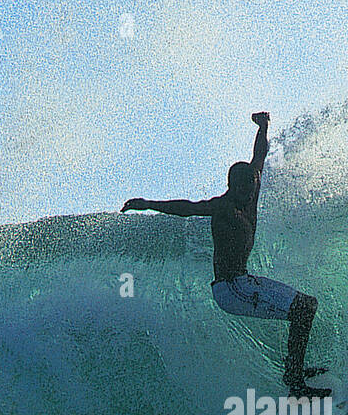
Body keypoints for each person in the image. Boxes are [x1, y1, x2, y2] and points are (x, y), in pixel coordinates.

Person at [121, 112, 329, 398]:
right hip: (230, 288)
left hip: (244, 281)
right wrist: (146, 204)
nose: (247, 192)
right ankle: (295, 382)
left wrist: (263, 127)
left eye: (251, 186)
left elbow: (259, 154)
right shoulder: (224, 206)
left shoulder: (253, 185)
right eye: (241, 188)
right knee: (303, 309)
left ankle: (293, 371)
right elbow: (188, 208)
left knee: (307, 306)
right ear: (232, 186)